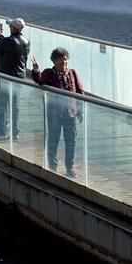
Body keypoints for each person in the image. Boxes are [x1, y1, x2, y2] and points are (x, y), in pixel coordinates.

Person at [31, 47, 85, 178]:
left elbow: (80, 92)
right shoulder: (49, 73)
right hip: (54, 114)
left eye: (65, 60)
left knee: (71, 141)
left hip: (70, 113)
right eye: (61, 61)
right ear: (54, 61)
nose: (64, 63)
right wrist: (36, 70)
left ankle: (70, 168)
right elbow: (39, 79)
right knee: (53, 141)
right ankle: (53, 167)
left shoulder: (72, 73)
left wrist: (80, 110)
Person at [0, 18, 30, 139]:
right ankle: (15, 133)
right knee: (15, 105)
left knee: (2, 104)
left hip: (6, 77)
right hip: (20, 77)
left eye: (10, 26)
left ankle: (1, 132)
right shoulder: (27, 41)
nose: (9, 27)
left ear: (14, 28)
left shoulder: (8, 41)